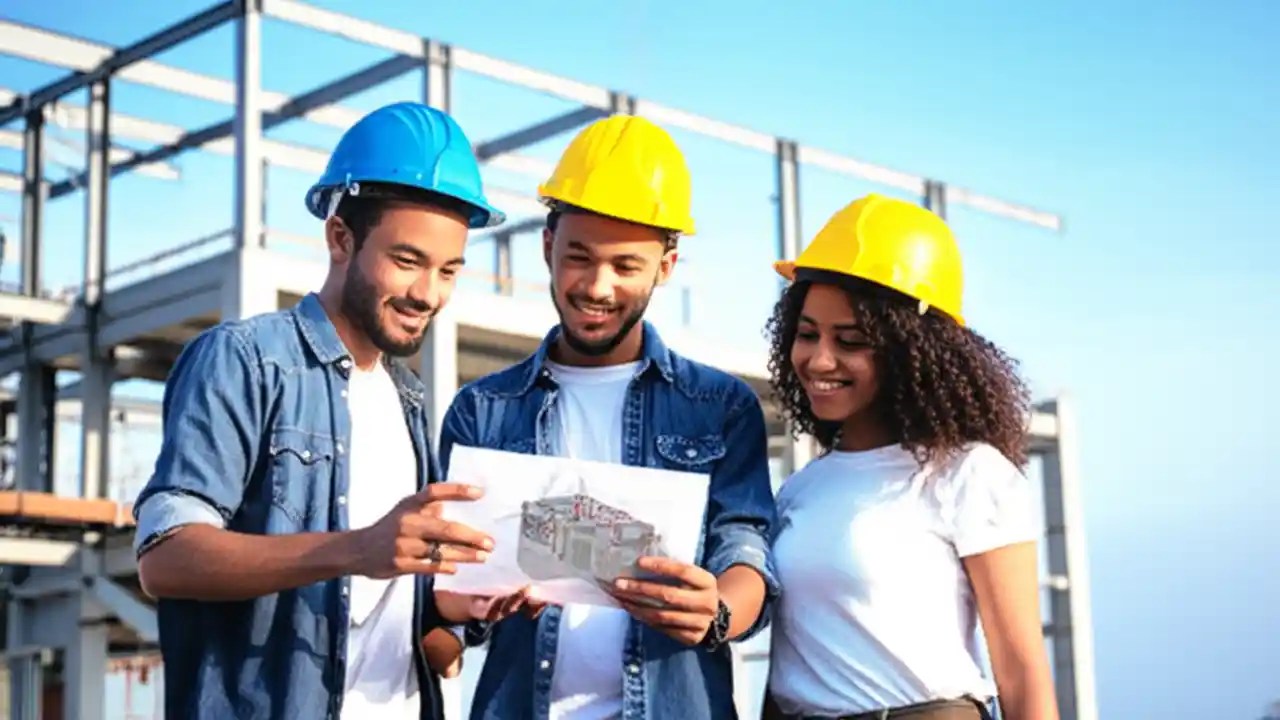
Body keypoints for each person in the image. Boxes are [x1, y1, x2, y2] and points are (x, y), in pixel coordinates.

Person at [131, 101, 505, 720]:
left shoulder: (408, 400)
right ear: (340, 237)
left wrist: (459, 608)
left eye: (448, 271)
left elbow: (402, 632)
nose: (428, 294)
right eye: (407, 261)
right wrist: (356, 548)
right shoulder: (245, 361)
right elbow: (165, 557)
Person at [427, 114, 780, 719]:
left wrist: (716, 610)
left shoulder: (719, 408)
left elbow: (744, 549)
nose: (597, 286)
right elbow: (436, 600)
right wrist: (465, 605)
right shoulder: (482, 412)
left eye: (626, 266)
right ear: (547, 246)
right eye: (578, 258)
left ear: (666, 267)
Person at [760, 193, 1058, 720]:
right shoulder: (800, 490)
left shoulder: (969, 474)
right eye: (807, 334)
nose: (819, 359)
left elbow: (1020, 668)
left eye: (850, 341)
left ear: (912, 350)